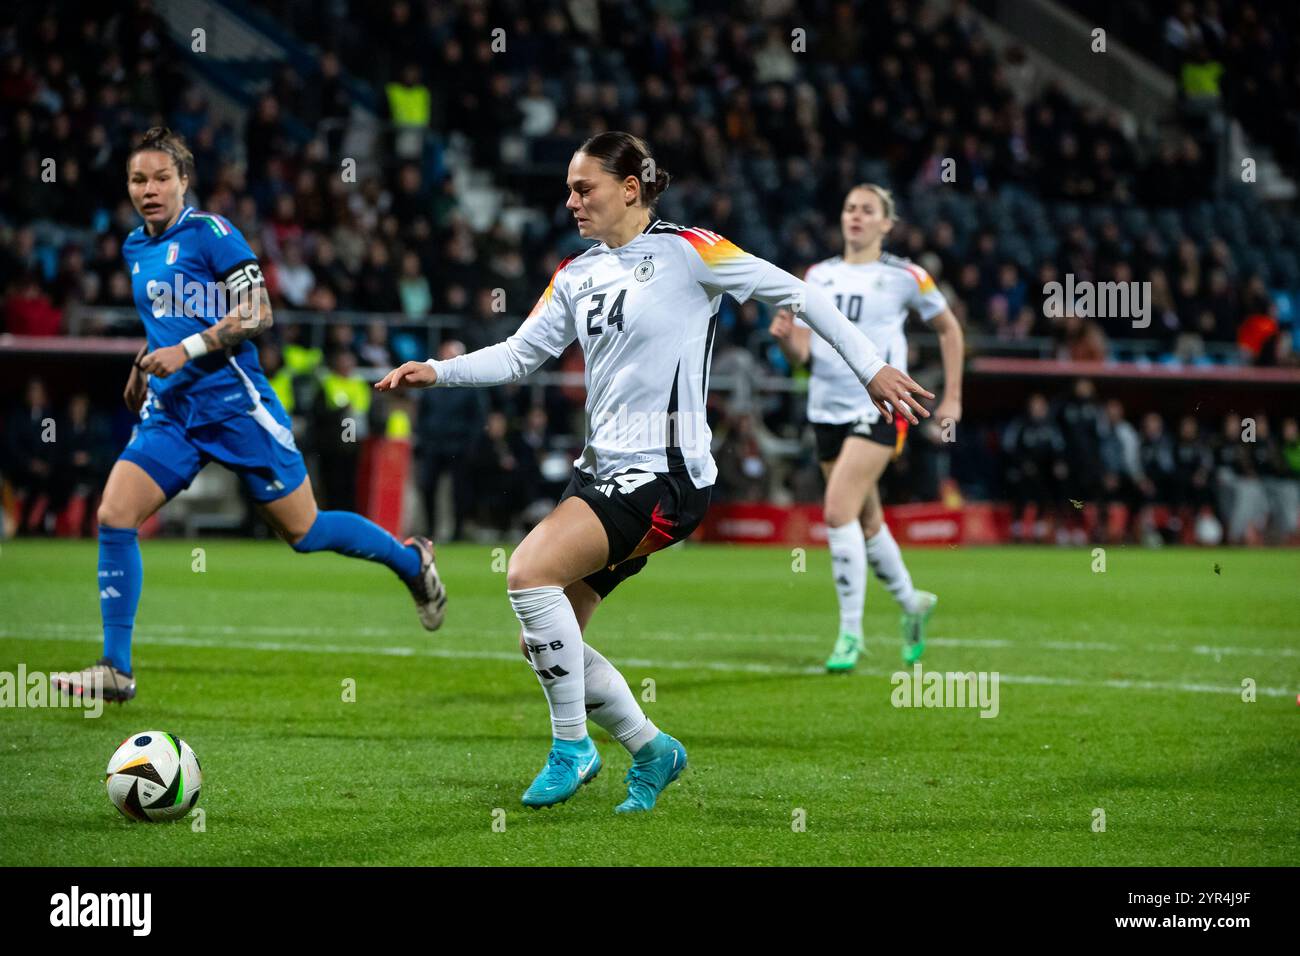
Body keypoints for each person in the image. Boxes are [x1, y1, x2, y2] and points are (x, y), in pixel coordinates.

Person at [377, 132, 931, 813]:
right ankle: (650, 747)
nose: (571, 201)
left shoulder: (689, 251)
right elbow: (521, 355)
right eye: (570, 189)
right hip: (602, 474)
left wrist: (870, 365)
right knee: (544, 638)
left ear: (631, 187)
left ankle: (572, 747)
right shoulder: (576, 274)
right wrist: (438, 372)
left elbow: (800, 297)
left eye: (586, 188)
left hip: (664, 478)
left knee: (525, 572)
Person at [51, 128, 446, 705]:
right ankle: (116, 669)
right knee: (114, 514)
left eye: (162, 177)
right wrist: (144, 363)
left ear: (185, 181)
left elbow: (258, 311)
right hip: (172, 413)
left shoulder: (212, 233)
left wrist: (184, 352)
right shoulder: (135, 247)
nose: (150, 188)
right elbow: (168, 320)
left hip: (236, 406)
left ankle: (411, 561)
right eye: (139, 179)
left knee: (304, 532)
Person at [769, 184, 963, 671]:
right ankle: (912, 603)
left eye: (867, 210)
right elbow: (807, 358)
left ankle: (850, 635)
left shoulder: (905, 277)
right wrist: (789, 344)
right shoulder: (818, 275)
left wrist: (954, 397)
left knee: (837, 511)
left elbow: (949, 328)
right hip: (825, 409)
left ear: (886, 224)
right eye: (850, 207)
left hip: (879, 408)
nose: (856, 215)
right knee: (866, 520)